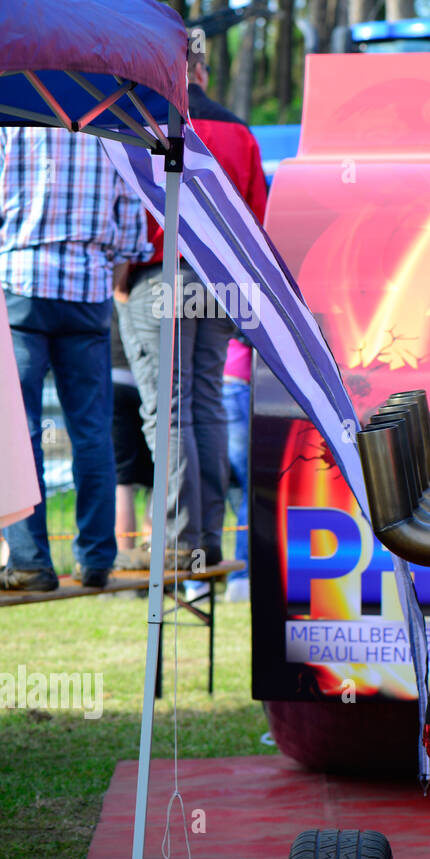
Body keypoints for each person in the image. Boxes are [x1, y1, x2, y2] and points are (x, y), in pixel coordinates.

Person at [119, 39, 266, 588]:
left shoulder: (146, 126)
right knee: (204, 404)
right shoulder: (241, 133)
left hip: (163, 272)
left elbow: (131, 210)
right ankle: (204, 541)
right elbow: (255, 222)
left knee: (170, 410)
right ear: (201, 70)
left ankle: (179, 543)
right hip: (221, 279)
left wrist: (123, 276)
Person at [0, 127, 152, 591]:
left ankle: (29, 562)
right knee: (92, 431)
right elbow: (132, 227)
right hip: (88, 291)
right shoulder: (110, 124)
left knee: (18, 434)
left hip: (21, 281)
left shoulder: (13, 117)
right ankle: (96, 559)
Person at [110, 306, 151, 569]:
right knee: (156, 481)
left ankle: (124, 562)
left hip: (114, 380)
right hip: (151, 383)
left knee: (122, 480)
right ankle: (152, 558)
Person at [223, 334, 252, 602]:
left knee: (231, 486)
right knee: (249, 489)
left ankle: (198, 582)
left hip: (216, 384)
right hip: (239, 385)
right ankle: (242, 576)